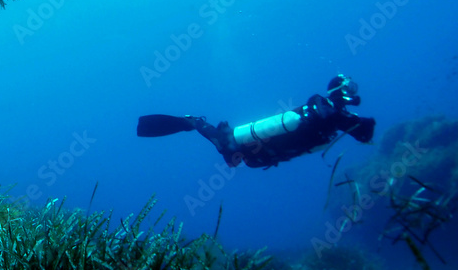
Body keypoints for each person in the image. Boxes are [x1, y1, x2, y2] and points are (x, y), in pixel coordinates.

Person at [136, 75, 376, 168]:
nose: (353, 93)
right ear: (339, 90)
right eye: (350, 88)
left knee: (232, 154)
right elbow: (342, 121)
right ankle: (192, 121)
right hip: (252, 146)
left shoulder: (336, 116)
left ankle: (206, 128)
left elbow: (360, 132)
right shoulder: (323, 106)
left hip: (262, 154)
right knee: (225, 143)